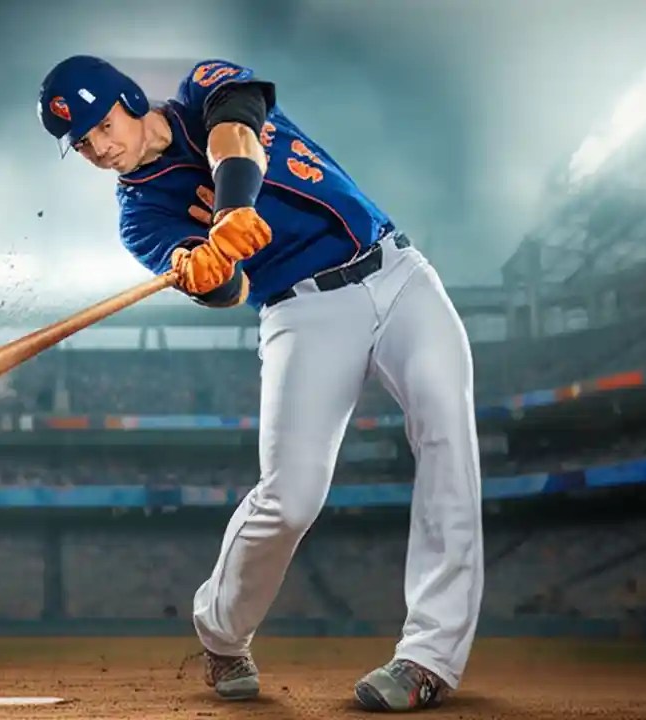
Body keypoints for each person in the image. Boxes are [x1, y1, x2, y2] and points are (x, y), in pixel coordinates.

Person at [37, 55, 484, 712]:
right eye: (83, 144)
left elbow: (237, 129)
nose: (100, 148)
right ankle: (221, 632)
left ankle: (430, 657)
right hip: (302, 312)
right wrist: (202, 267)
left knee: (448, 435)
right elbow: (227, 290)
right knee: (291, 498)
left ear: (130, 99)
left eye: (103, 125)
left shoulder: (203, 87)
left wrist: (230, 208)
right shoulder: (140, 217)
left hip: (399, 272)